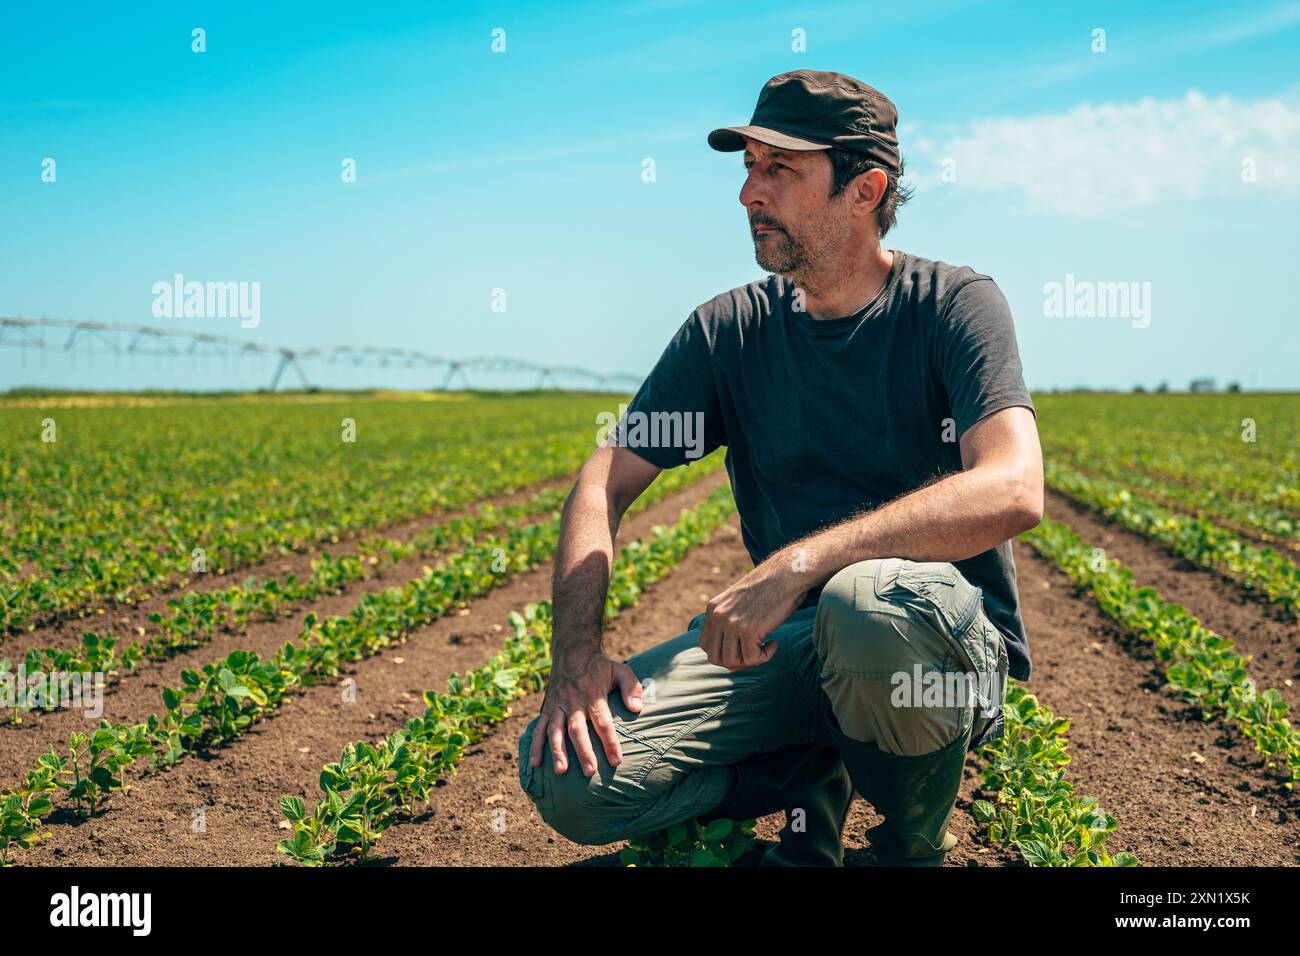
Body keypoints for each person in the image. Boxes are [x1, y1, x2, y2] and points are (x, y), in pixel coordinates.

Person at [517, 69, 1043, 866]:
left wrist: (799, 564)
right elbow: (605, 480)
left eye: (779, 170)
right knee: (568, 777)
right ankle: (806, 771)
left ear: (865, 189)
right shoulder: (728, 331)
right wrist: (576, 657)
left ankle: (904, 847)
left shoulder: (953, 305)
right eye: (748, 167)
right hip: (795, 650)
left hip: (933, 651)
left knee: (864, 603)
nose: (748, 194)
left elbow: (1012, 486)